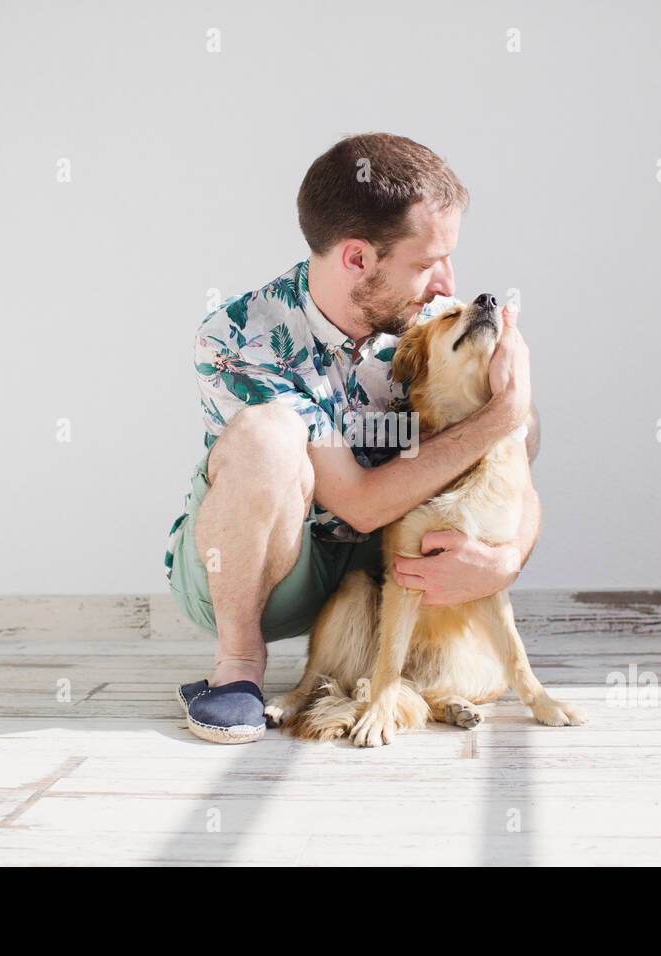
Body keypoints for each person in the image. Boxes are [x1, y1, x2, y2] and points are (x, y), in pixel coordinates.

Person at [164, 132, 540, 743]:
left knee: (487, 436)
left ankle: (398, 689)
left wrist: (504, 559)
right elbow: (361, 502)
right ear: (357, 259)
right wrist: (501, 414)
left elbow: (511, 459)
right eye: (425, 263)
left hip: (386, 575)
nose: (448, 284)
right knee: (267, 435)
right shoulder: (237, 338)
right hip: (269, 569)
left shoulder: (432, 322)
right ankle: (238, 671)